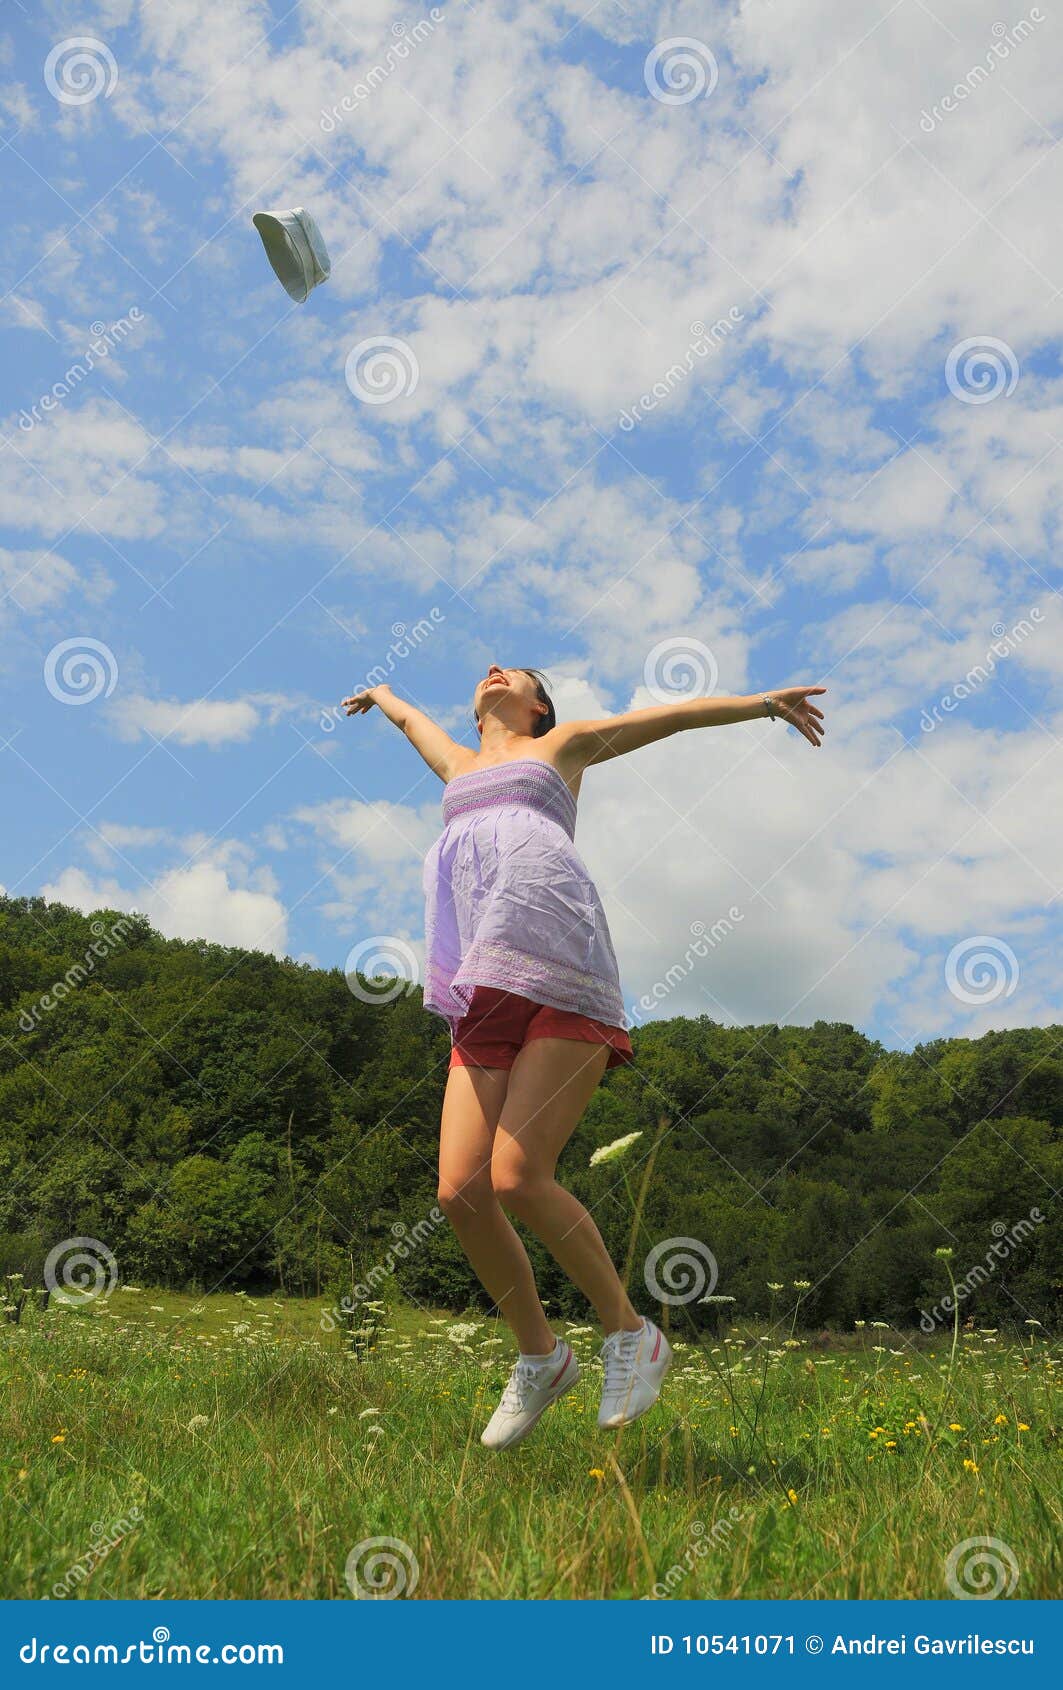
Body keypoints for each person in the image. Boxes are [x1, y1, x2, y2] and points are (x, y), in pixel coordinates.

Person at [343, 665, 826, 1448]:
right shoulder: (458, 766)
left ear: (537, 706)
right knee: (460, 1191)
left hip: (561, 966)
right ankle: (540, 1357)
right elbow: (408, 724)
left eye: (517, 673)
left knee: (516, 1176)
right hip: (482, 984)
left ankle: (629, 1333)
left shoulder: (559, 747)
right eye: (486, 670)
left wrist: (765, 705)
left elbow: (667, 718)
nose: (494, 671)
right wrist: (385, 695)